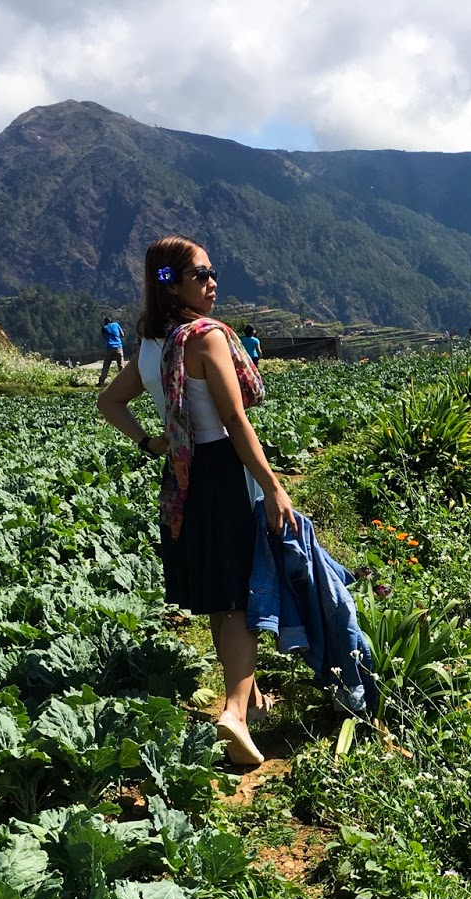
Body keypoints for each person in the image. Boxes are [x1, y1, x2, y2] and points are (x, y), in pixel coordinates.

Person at [97, 236, 296, 766]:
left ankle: (251, 699)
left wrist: (150, 441)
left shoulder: (151, 346)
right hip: (225, 471)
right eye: (201, 274)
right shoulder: (205, 339)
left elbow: (109, 401)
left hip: (183, 478)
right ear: (171, 284)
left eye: (212, 272)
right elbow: (234, 420)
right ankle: (233, 712)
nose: (212, 283)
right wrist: (273, 486)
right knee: (242, 595)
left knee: (217, 593)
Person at [98, 314, 126, 386]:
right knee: (121, 365)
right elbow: (122, 334)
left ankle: (101, 381)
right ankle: (124, 381)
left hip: (110, 347)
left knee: (106, 365)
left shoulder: (104, 328)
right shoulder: (116, 324)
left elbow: (105, 338)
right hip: (118, 346)